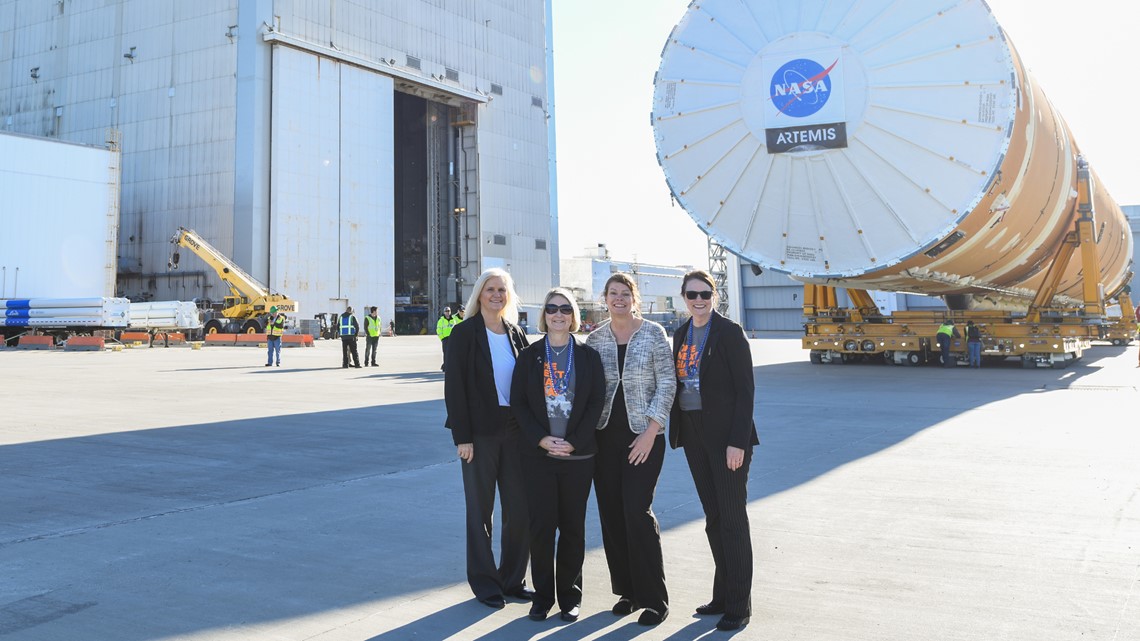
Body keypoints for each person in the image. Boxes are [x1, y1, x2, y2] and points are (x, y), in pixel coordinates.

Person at [669, 270, 759, 632]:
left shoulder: (729, 333)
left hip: (727, 440)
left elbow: (746, 392)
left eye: (705, 294)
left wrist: (738, 442)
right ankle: (722, 595)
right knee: (714, 517)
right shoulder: (679, 334)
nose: (699, 300)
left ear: (715, 296)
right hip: (693, 434)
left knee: (733, 519)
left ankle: (739, 604)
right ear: (684, 297)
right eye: (692, 294)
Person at [585, 272, 677, 626]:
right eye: (613, 293)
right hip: (605, 437)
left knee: (637, 511)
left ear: (633, 297)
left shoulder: (653, 333)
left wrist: (652, 431)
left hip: (644, 436)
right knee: (611, 513)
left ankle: (655, 598)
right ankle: (628, 590)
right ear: (604, 299)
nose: (619, 299)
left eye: (625, 293)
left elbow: (668, 382)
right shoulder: (595, 340)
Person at [510, 288, 605, 623]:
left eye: (565, 309)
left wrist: (575, 442)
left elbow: (596, 402)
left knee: (573, 529)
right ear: (544, 315)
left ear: (573, 315)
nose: (558, 314)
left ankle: (569, 597)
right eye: (552, 309)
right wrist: (540, 439)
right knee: (541, 528)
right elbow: (518, 403)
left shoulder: (588, 357)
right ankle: (542, 598)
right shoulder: (530, 355)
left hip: (577, 458)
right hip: (539, 457)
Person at [444, 268, 533, 609]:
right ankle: (485, 584)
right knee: (480, 511)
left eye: (502, 290)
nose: (497, 294)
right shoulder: (464, 334)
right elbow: (455, 389)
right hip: (479, 434)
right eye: (490, 289)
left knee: (519, 510)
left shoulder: (516, 333)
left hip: (515, 432)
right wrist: (462, 438)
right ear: (479, 294)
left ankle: (512, 580)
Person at [437, 306, 459, 371]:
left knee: (453, 353)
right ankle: (446, 366)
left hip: (452, 338)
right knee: (446, 353)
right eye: (446, 311)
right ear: (444, 312)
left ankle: (452, 366)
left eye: (448, 311)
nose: (447, 312)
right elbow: (438, 330)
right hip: (445, 339)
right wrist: (442, 338)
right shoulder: (441, 320)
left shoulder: (454, 320)